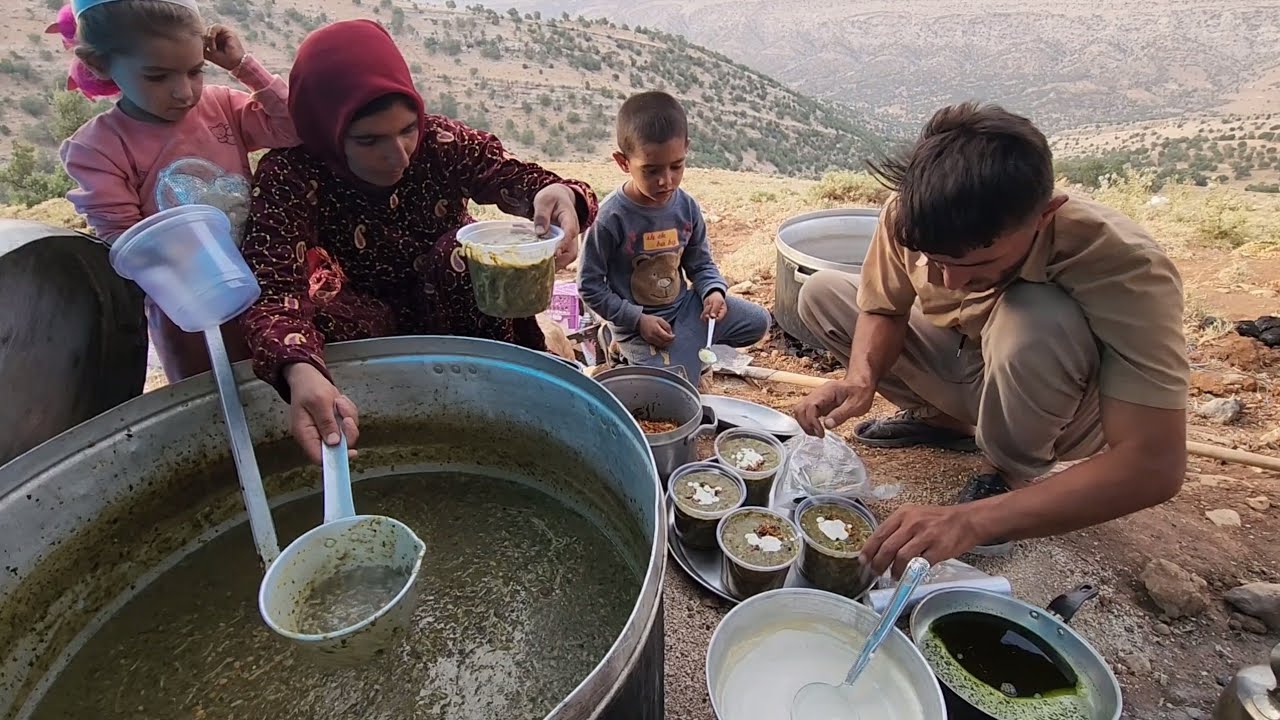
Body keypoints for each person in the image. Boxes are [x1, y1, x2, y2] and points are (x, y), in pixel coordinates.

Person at [792, 102, 1189, 576]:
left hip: (1065, 411)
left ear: (1044, 215)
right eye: (932, 260)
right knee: (823, 292)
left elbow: (1154, 465)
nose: (950, 281)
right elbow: (884, 306)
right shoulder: (912, 213)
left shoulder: (1125, 267)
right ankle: (946, 422)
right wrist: (861, 381)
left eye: (976, 265)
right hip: (971, 368)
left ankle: (1010, 473)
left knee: (1034, 317)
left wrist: (972, 522)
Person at [239, 19, 597, 465]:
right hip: (365, 334)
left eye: (408, 129)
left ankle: (501, 399)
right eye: (369, 140)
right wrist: (298, 369)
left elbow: (514, 176)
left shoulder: (441, 142)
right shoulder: (291, 175)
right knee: (312, 315)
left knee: (462, 255)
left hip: (460, 315)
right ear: (325, 130)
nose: (399, 155)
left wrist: (561, 196)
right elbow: (271, 289)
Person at [54, 0, 298, 383]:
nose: (184, 92)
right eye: (157, 77)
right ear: (99, 65)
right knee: (213, 403)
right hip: (189, 315)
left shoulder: (221, 106)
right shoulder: (98, 148)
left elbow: (293, 128)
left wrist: (242, 66)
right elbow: (123, 237)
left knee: (284, 383)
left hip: (267, 289)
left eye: (194, 71)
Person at [577, 91, 770, 383]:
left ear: (686, 150)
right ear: (622, 162)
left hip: (684, 309)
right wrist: (636, 319)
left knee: (758, 322)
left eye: (676, 166)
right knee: (670, 386)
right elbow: (589, 286)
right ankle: (623, 346)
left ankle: (684, 350)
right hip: (637, 323)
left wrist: (713, 292)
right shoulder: (609, 218)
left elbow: (701, 264)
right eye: (651, 170)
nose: (666, 180)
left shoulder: (686, 207)